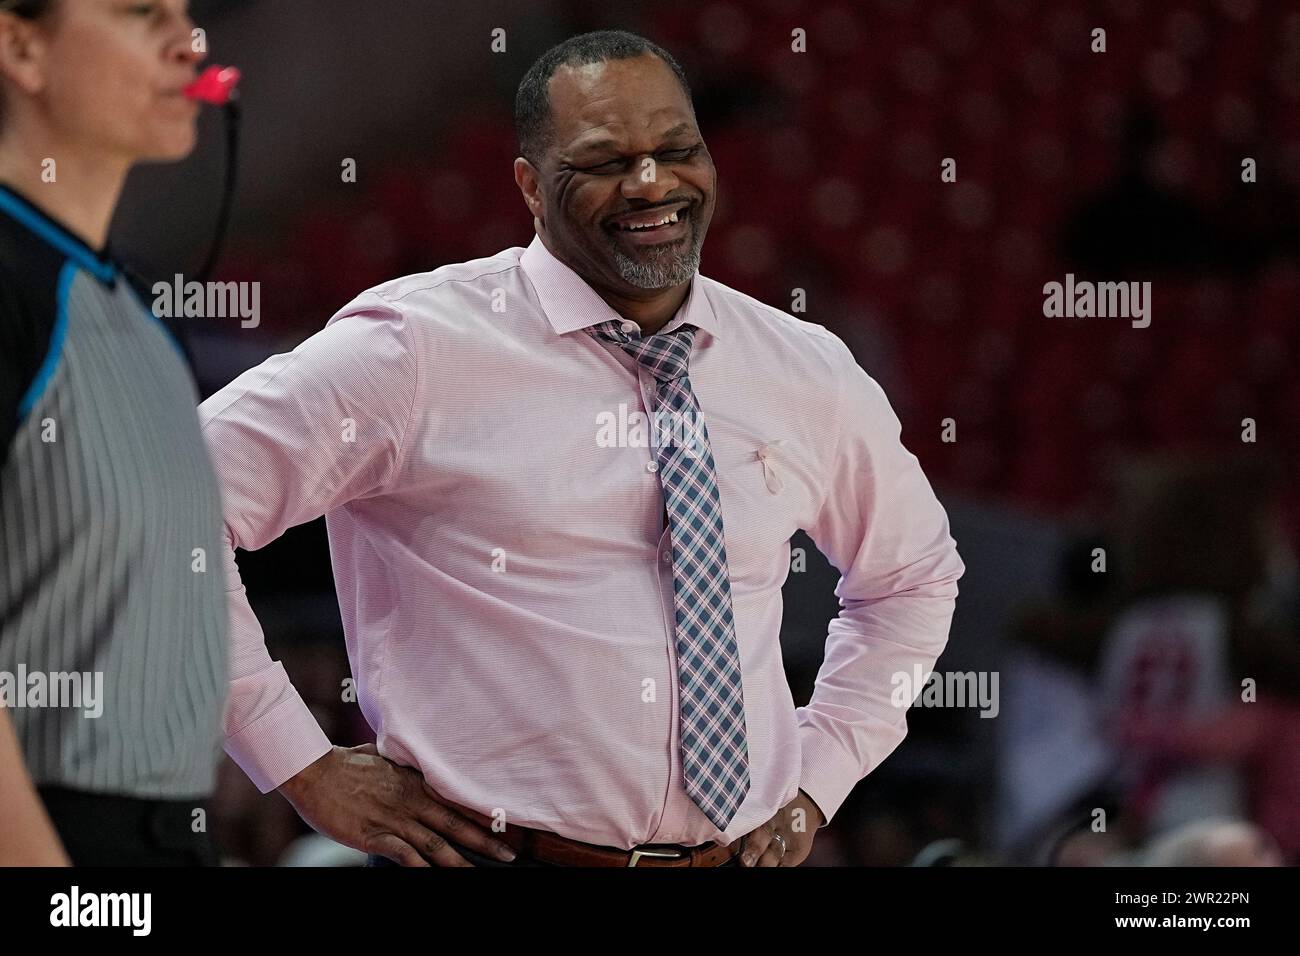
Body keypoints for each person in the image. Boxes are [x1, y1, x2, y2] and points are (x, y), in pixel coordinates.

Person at [200, 30, 965, 867]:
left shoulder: (802, 368)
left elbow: (913, 578)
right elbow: (169, 503)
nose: (651, 182)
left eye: (678, 150)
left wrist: (821, 777)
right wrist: (298, 764)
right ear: (530, 185)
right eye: (604, 161)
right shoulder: (414, 348)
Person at [0, 0, 227, 865]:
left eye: (186, 12)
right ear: (20, 45)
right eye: (141, 13)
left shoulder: (135, 307)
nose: (188, 43)